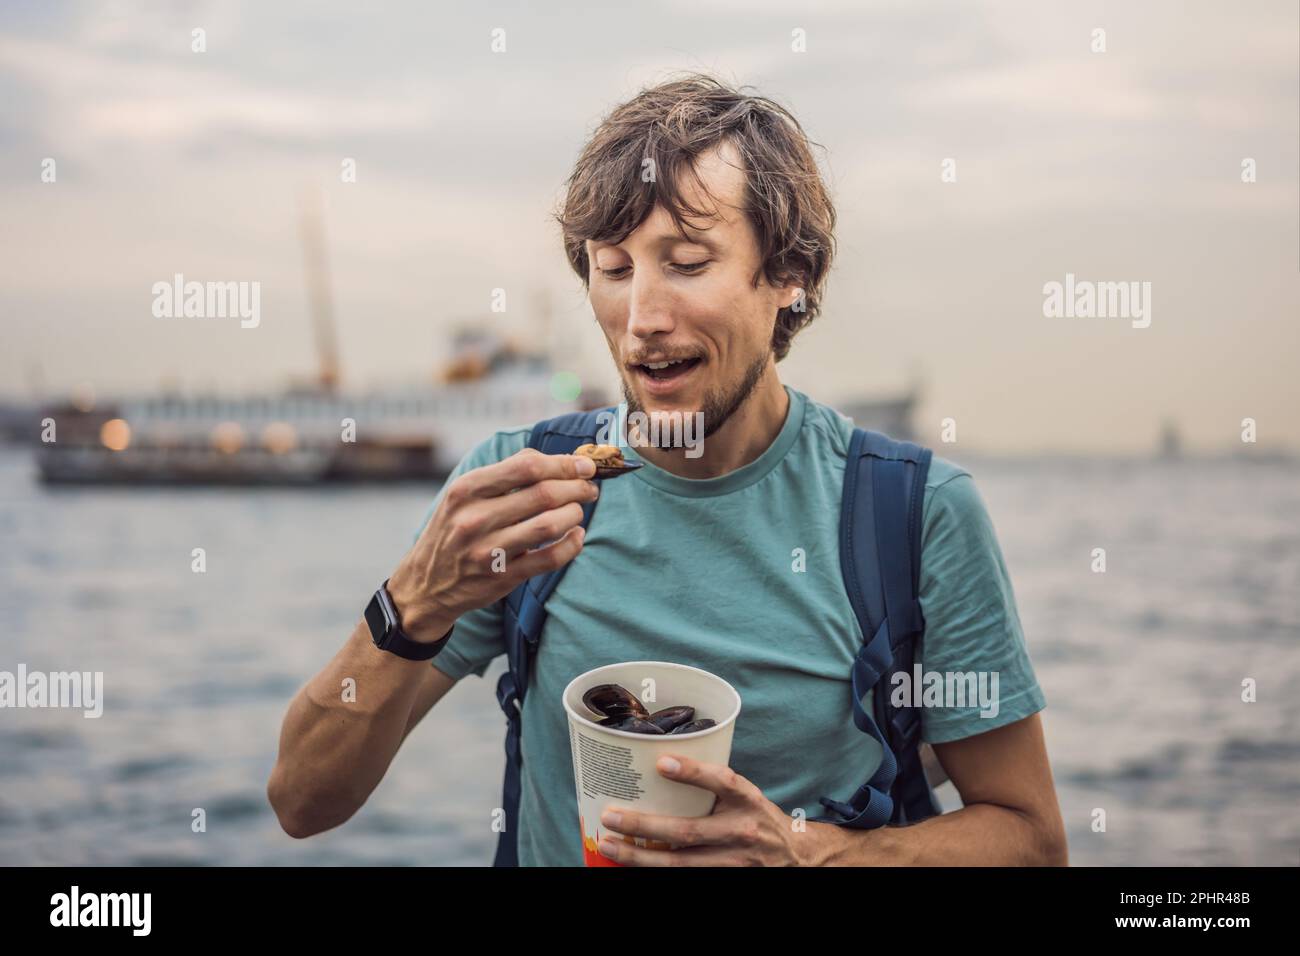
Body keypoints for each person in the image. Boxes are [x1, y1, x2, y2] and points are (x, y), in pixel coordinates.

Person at [267, 73, 1068, 866]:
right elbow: (303, 802)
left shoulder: (914, 512)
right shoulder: (522, 486)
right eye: (613, 270)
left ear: (790, 276)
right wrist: (414, 600)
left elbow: (1030, 839)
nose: (642, 320)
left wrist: (805, 855)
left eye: (686, 263)